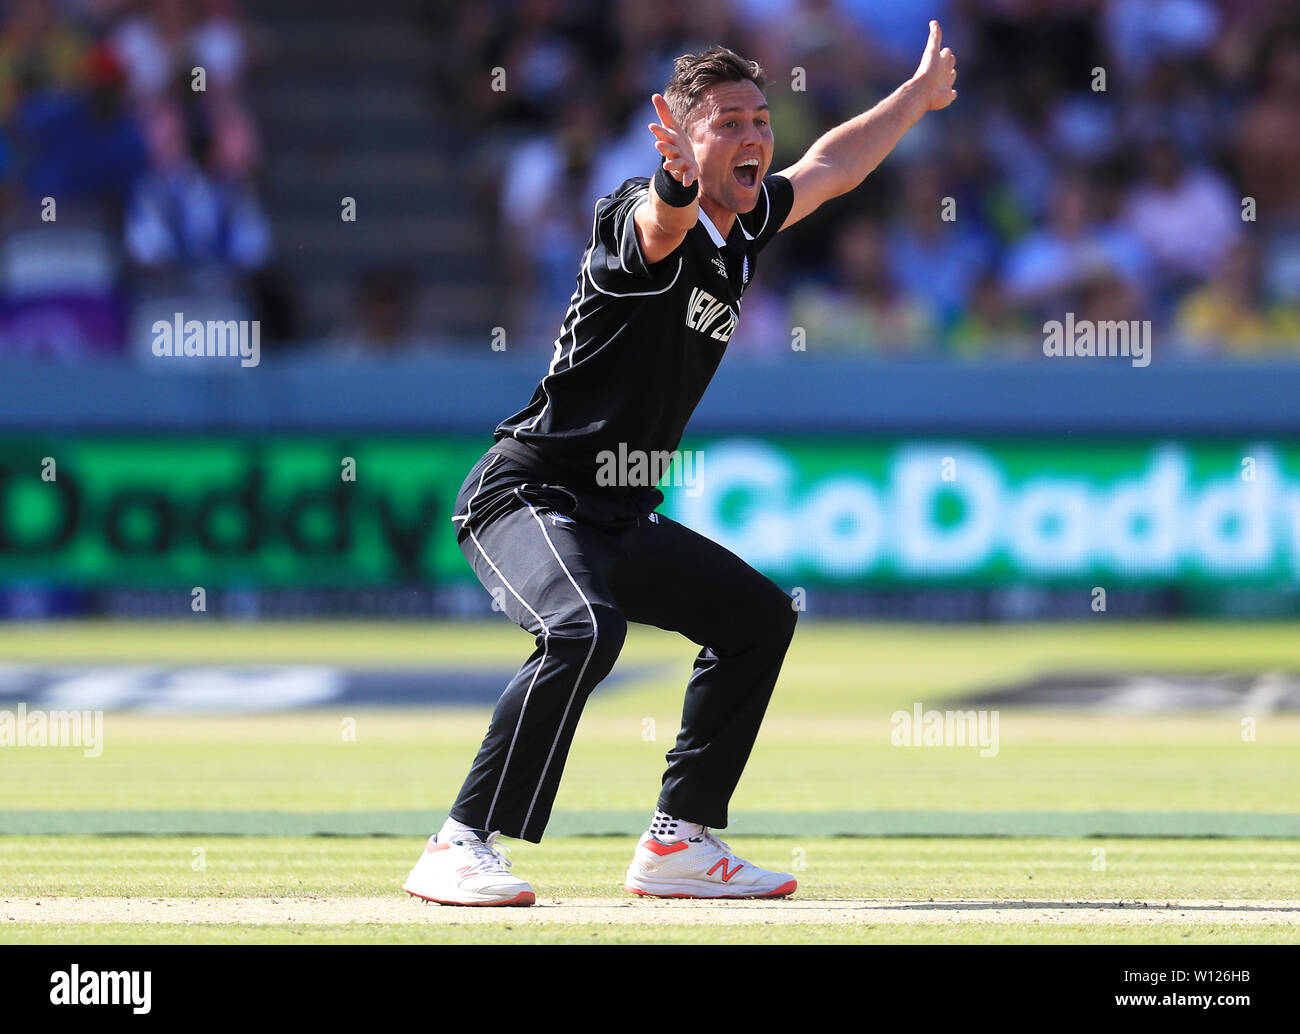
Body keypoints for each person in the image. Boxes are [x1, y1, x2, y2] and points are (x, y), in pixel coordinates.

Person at [404, 21, 958, 906]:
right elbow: (659, 228)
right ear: (680, 133)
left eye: (758, 120)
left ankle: (679, 843)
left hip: (615, 512)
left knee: (757, 620)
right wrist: (670, 182)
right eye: (726, 123)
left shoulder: (747, 222)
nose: (752, 138)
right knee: (584, 630)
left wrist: (917, 98)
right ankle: (457, 841)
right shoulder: (637, 210)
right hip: (527, 494)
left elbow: (834, 167)